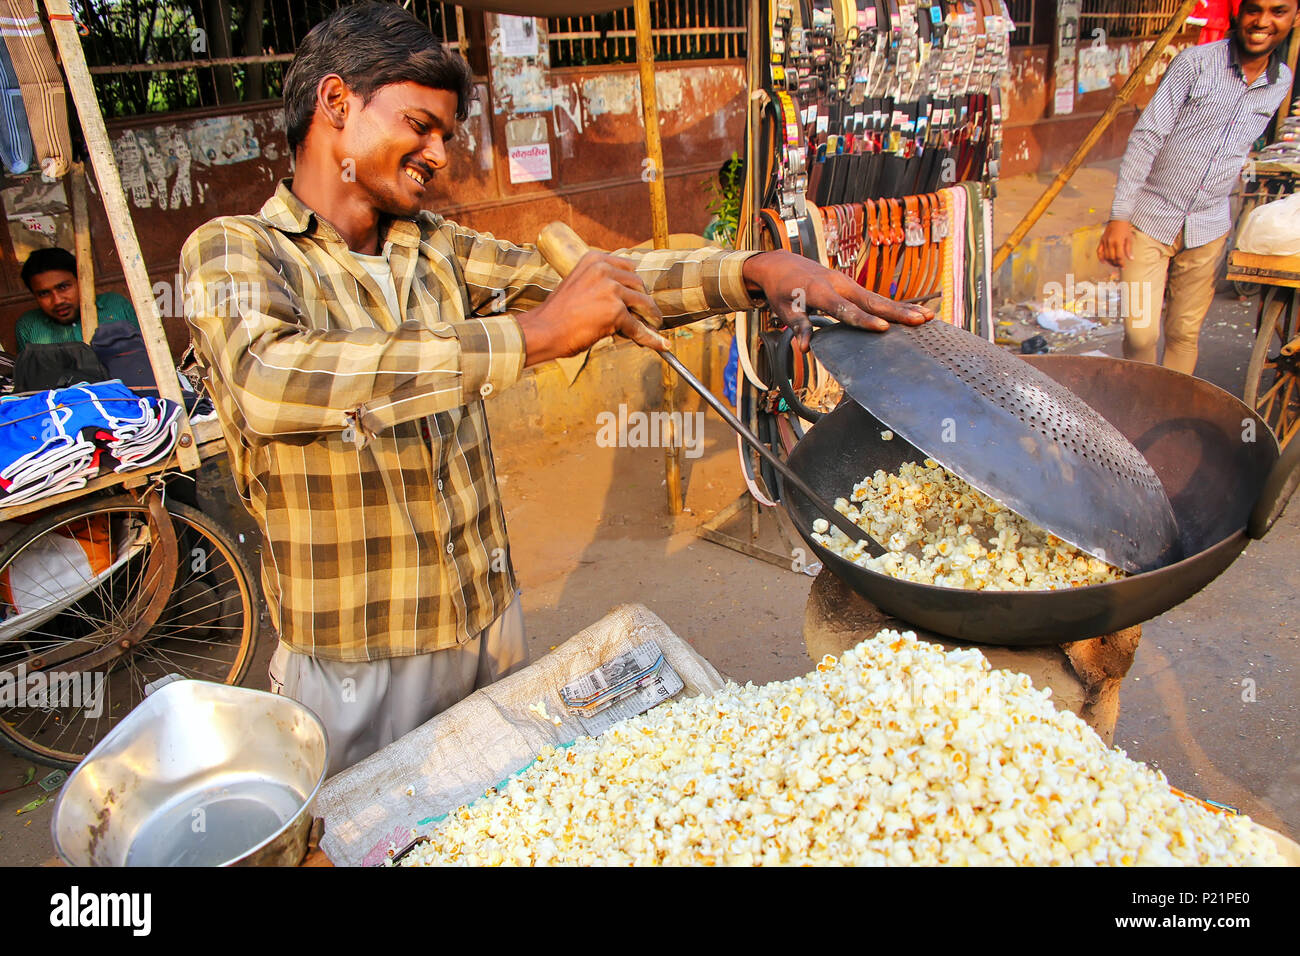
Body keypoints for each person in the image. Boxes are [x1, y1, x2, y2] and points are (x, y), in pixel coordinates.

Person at [180, 2, 932, 776]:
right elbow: (273, 380)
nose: (438, 155)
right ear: (337, 103)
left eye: (446, 135)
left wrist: (753, 271)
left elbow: (595, 283)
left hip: (488, 625)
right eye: (420, 125)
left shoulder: (436, 249)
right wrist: (537, 335)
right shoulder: (237, 251)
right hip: (355, 662)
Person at [1097, 0, 1296, 375]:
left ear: (1293, 18)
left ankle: (1165, 421)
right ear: (1239, 12)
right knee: (1140, 334)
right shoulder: (1195, 63)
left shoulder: (1280, 81)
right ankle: (1134, 410)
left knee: (1184, 335)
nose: (1263, 22)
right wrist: (1119, 216)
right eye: (1255, 9)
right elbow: (1147, 136)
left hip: (1209, 225)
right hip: (1150, 217)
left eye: (1278, 12)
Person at [16, 247, 139, 352]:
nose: (57, 301)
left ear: (81, 282)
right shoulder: (28, 326)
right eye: (44, 293)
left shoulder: (116, 305)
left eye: (63, 287)